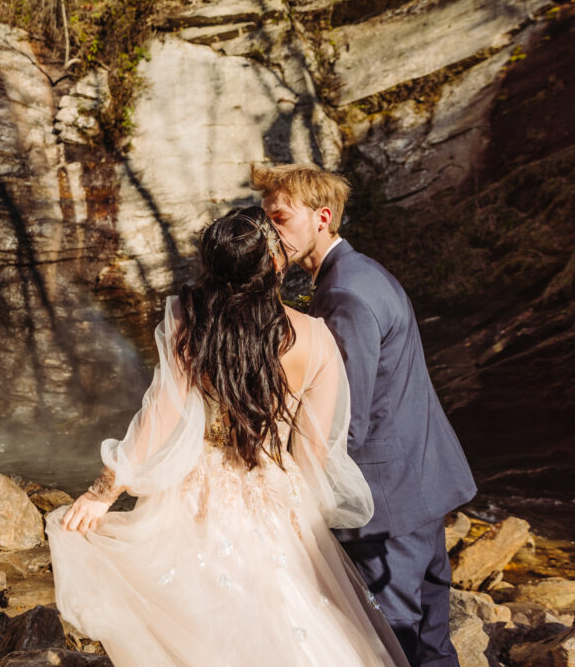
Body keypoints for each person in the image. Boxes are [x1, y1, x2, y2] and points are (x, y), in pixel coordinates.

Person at [46, 207, 409, 667]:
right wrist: (304, 523)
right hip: (275, 492)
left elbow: (161, 413)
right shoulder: (316, 338)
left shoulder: (190, 319)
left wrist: (103, 491)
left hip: (196, 494)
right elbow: (312, 453)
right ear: (275, 265)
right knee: (292, 616)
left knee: (198, 622)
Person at [254, 164, 476, 667]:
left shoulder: (343, 295)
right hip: (420, 484)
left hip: (383, 506)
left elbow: (341, 420)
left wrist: (298, 495)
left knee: (391, 642)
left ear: (322, 217)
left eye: (280, 218)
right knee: (432, 643)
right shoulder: (363, 272)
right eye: (266, 219)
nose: (270, 231)